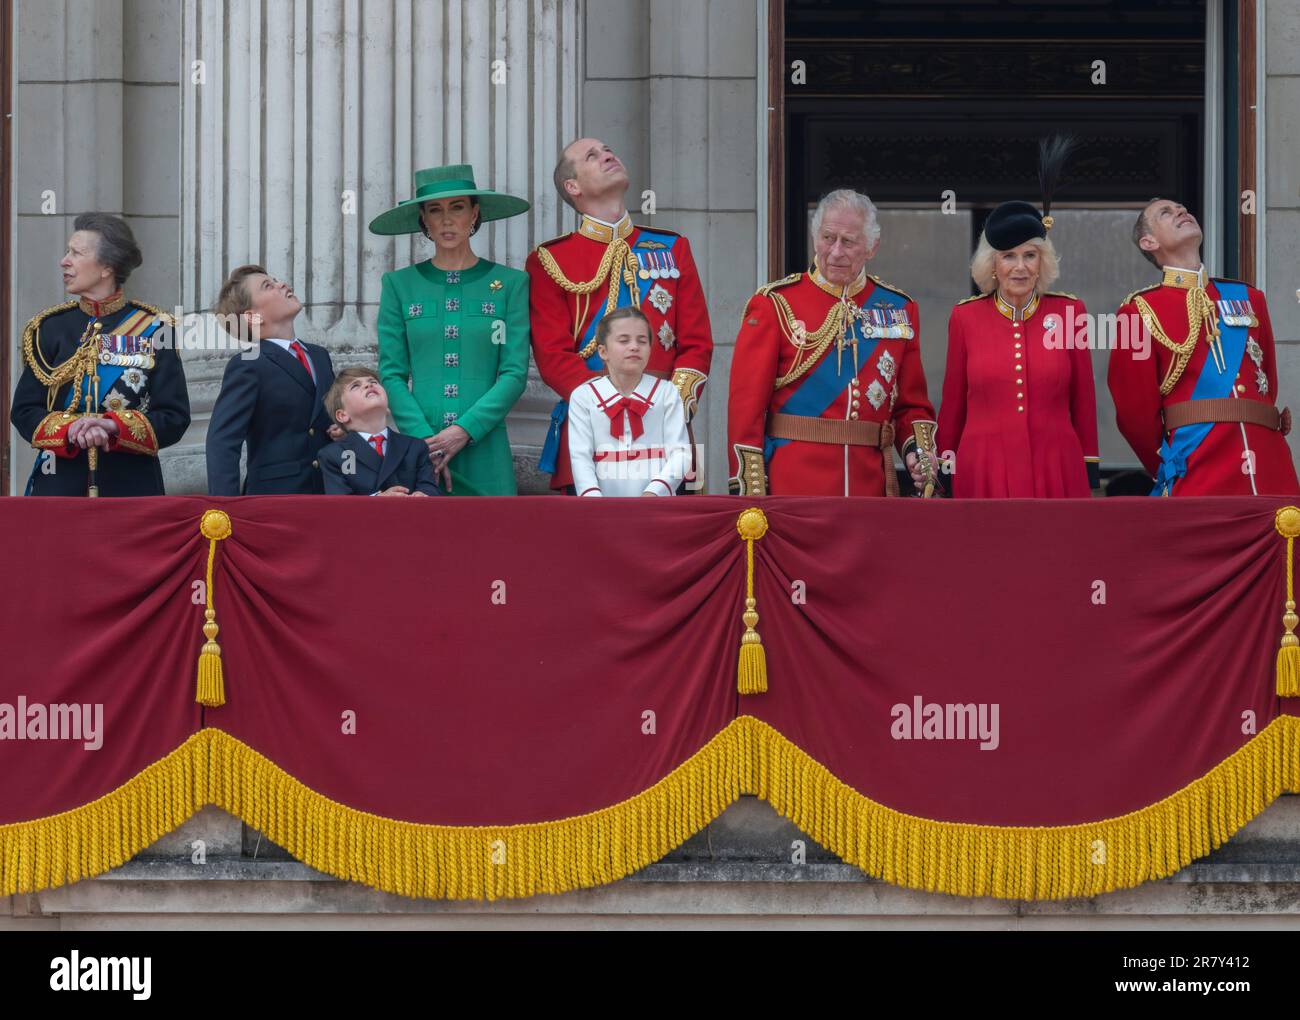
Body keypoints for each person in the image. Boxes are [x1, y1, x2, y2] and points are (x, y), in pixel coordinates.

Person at [527, 137, 712, 493]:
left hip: (669, 425)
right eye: (592, 156)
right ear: (573, 186)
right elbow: (552, 356)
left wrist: (667, 407)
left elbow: (698, 344)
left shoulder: (673, 247)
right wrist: (605, 407)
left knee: (680, 528)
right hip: (592, 429)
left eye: (608, 149)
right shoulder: (549, 260)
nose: (607, 155)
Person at [727, 189, 935, 497]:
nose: (836, 252)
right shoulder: (775, 304)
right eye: (828, 238)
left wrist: (918, 453)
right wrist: (751, 491)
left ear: (872, 247)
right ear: (815, 239)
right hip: (794, 487)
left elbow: (911, 406)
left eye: (848, 241)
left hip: (869, 489)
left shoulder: (898, 310)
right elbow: (746, 410)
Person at [937, 140, 1100, 497]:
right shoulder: (965, 317)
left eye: (1030, 255)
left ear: (1042, 262)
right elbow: (953, 405)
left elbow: (1084, 401)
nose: (1020, 267)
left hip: (1056, 464)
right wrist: (944, 470)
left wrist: (1089, 467)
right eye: (1008, 256)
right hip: (983, 467)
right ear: (992, 265)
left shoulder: (1070, 313)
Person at [1109, 198, 1298, 496]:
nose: (1181, 211)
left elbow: (1267, 383)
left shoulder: (1249, 297)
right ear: (1149, 242)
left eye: (1182, 208)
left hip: (1268, 459)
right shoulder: (1138, 311)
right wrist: (1172, 463)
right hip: (1198, 464)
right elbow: (1135, 416)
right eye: (1166, 213)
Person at [368, 164, 530, 496]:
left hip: (485, 447)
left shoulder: (510, 284)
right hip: (420, 450)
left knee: (496, 529)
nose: (446, 220)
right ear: (423, 219)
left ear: (474, 213)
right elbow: (392, 374)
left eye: (457, 207)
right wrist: (424, 441)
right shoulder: (399, 285)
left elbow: (513, 373)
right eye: (434, 210)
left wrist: (464, 430)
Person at [11, 213, 190, 496]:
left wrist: (112, 426)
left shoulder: (155, 329)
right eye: (67, 252)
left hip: (131, 485)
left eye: (76, 253)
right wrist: (72, 429)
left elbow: (174, 417)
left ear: (107, 267)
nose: (64, 261)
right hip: (60, 484)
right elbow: (24, 411)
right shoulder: (50, 327)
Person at [206, 265, 335, 495]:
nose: (282, 284)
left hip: (328, 492)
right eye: (268, 286)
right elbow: (223, 441)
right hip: (276, 497)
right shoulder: (248, 364)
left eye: (276, 280)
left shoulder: (320, 356)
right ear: (252, 316)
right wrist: (225, 507)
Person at [567, 307, 691, 497]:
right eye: (624, 340)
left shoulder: (667, 392)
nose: (634, 346)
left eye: (642, 341)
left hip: (658, 505)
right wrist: (593, 501)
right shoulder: (583, 397)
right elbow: (580, 457)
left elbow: (681, 454)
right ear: (603, 351)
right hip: (601, 508)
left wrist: (654, 492)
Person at [318, 367, 442, 497]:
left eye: (373, 382)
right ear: (342, 415)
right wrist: (378, 500)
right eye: (355, 386)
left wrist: (423, 495)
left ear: (388, 407)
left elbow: (429, 487)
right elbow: (340, 503)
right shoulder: (336, 455)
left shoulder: (415, 447)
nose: (368, 385)